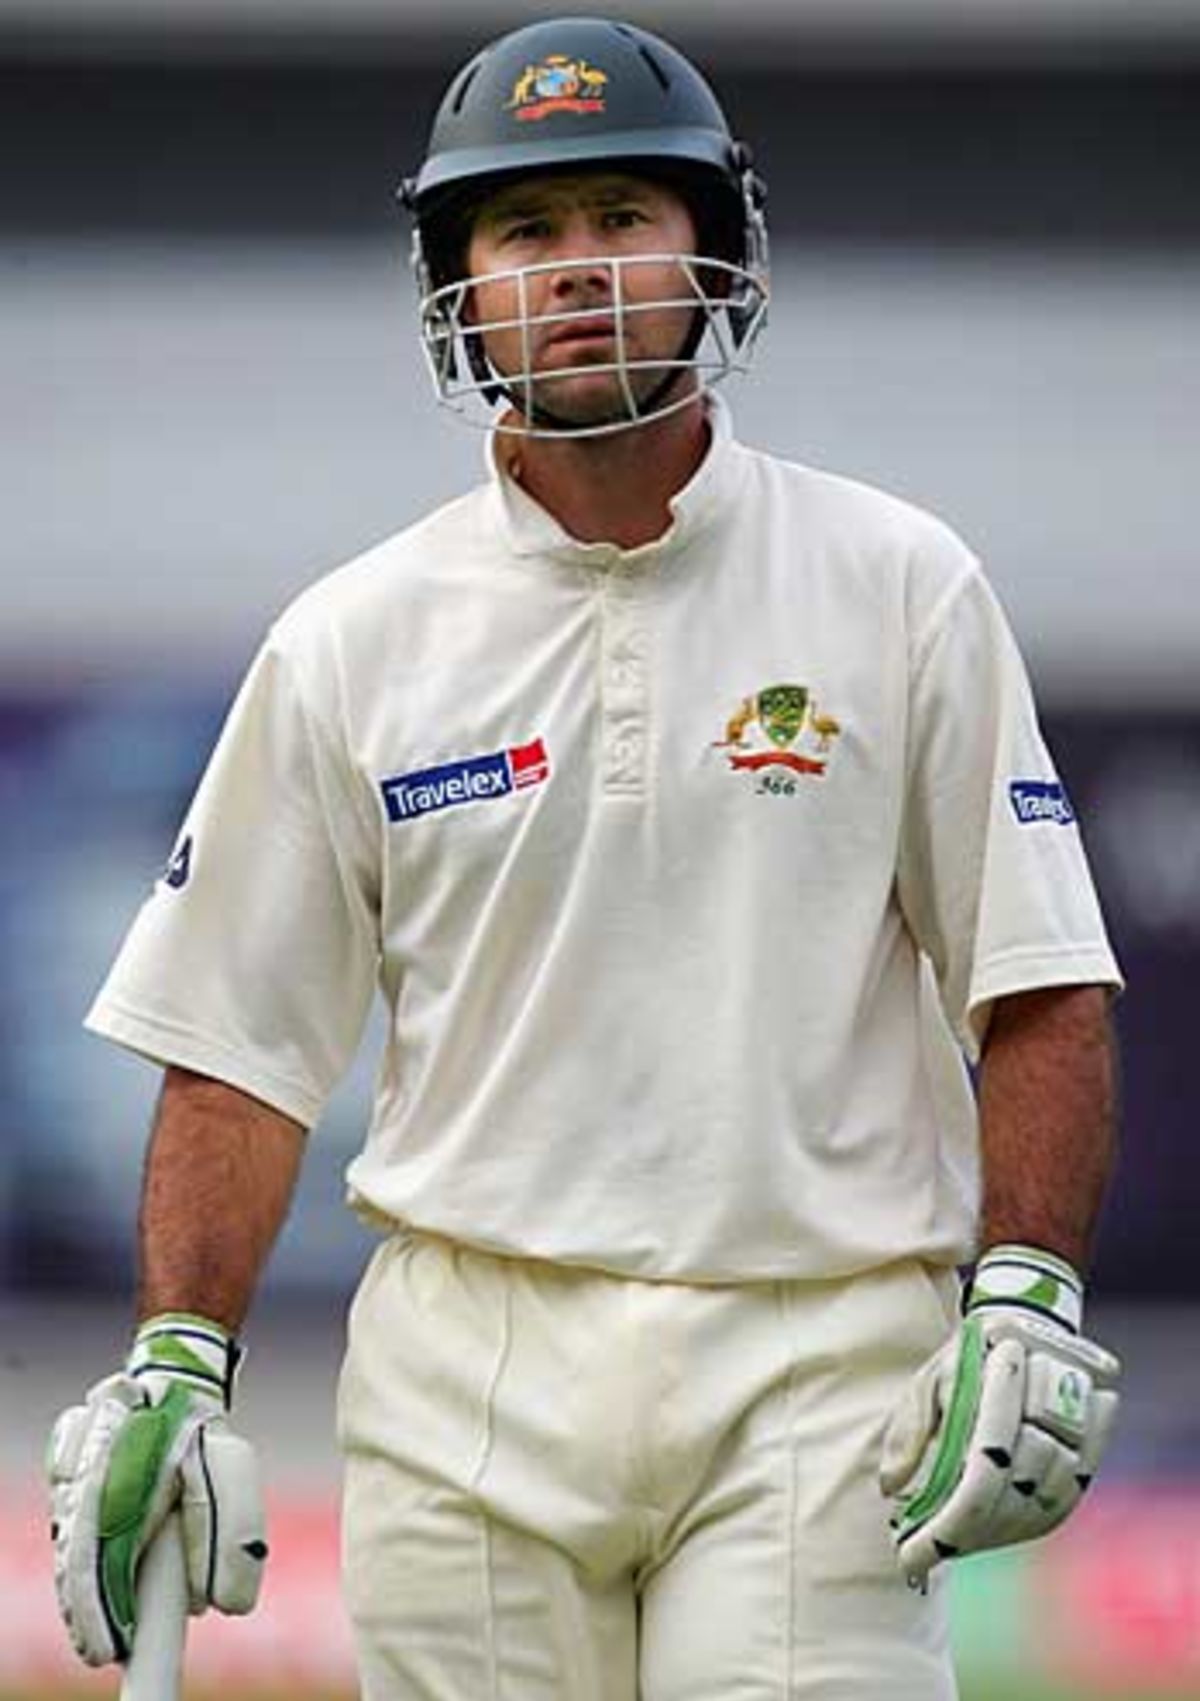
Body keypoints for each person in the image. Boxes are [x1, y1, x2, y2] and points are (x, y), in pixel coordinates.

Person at [47, 17, 1123, 1700]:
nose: (579, 272)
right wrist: (178, 1361)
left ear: (714, 251)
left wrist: (1027, 1290)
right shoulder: (354, 640)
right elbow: (240, 1056)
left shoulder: (900, 583)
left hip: (820, 1351)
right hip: (469, 1374)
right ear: (457, 285)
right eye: (527, 231)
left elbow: (1041, 982)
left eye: (625, 213)